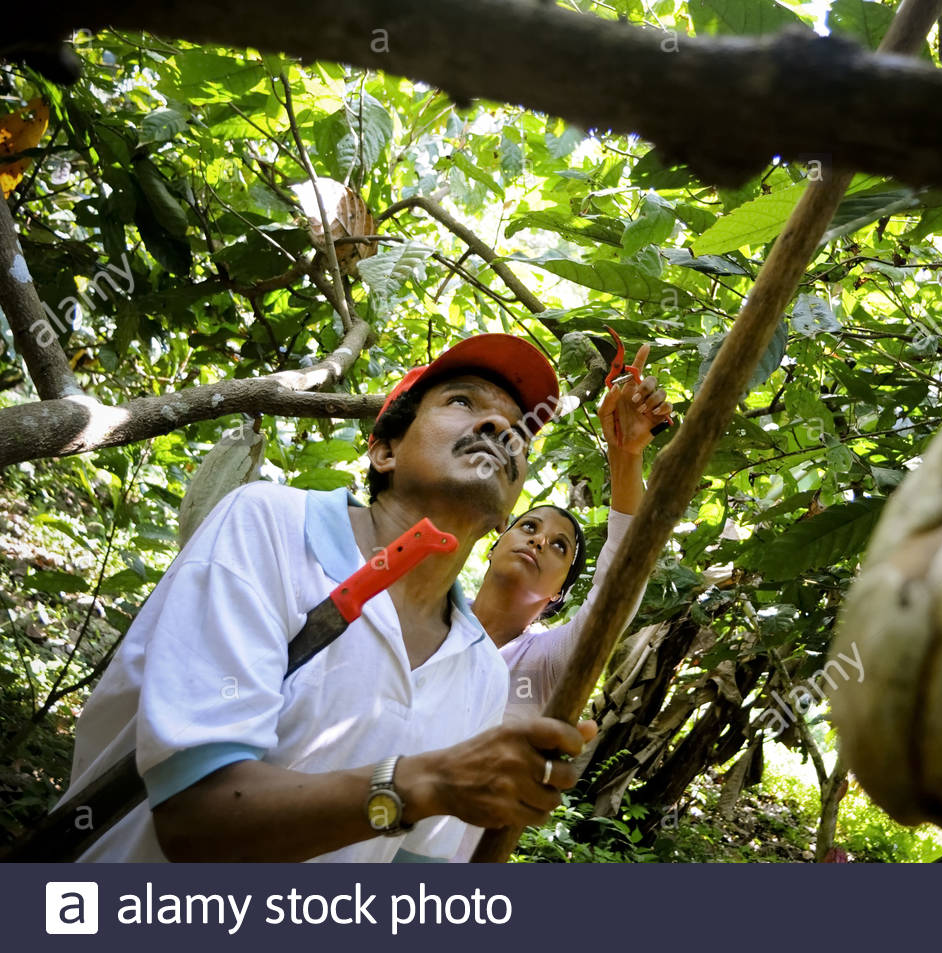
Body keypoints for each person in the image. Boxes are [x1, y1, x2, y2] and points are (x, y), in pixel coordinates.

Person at [56, 333, 594, 862]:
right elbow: (195, 818)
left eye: (518, 433)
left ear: (505, 511)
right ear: (385, 450)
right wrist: (430, 780)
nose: (501, 429)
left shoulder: (482, 672)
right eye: (462, 401)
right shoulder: (271, 523)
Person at [471, 344, 672, 719]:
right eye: (528, 526)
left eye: (560, 547)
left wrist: (626, 456)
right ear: (493, 545)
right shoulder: (432, 606)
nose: (540, 539)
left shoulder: (548, 662)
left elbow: (622, 578)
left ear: (557, 594)